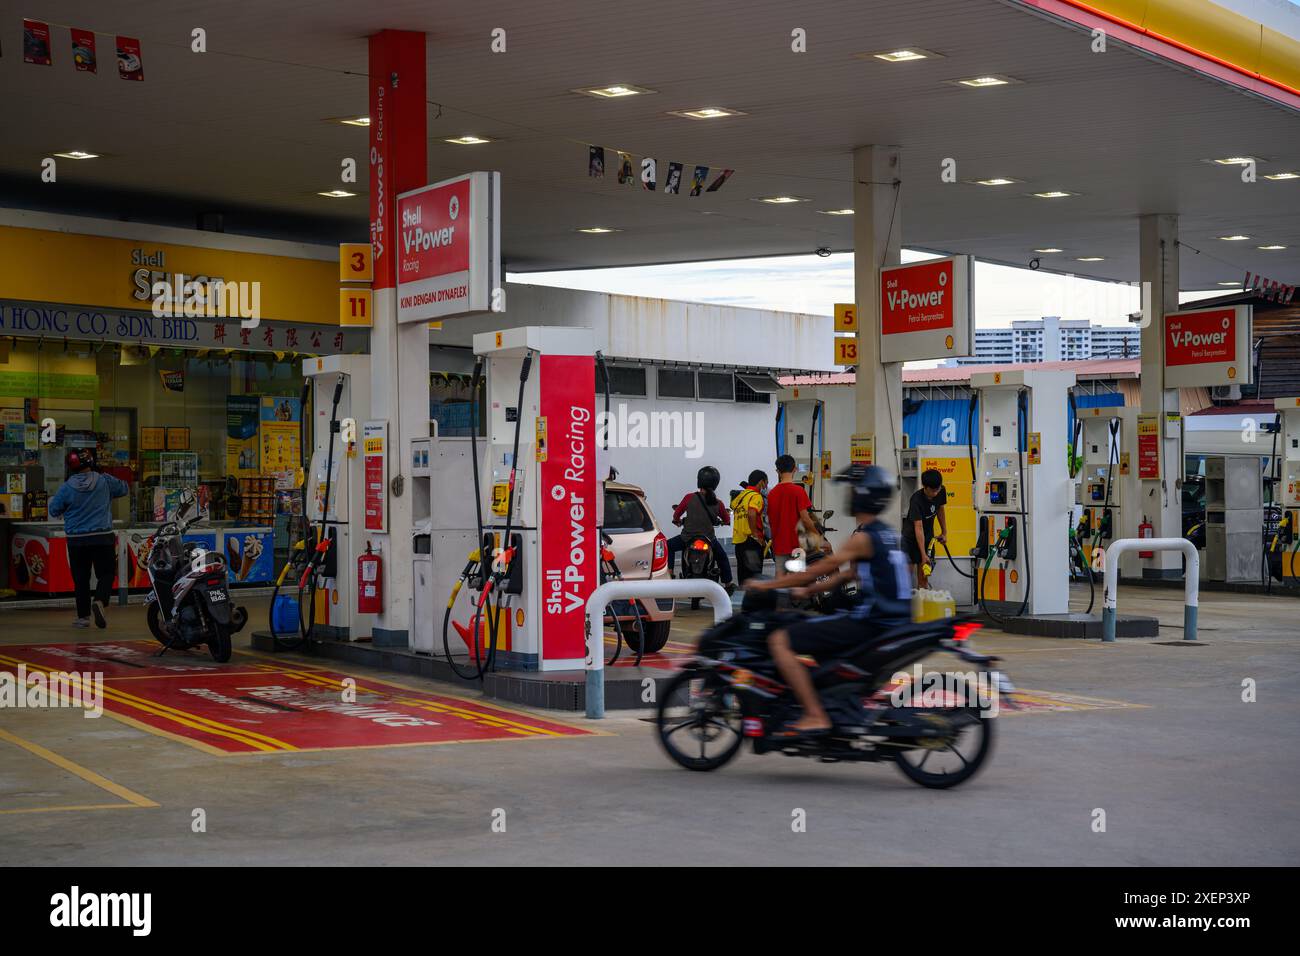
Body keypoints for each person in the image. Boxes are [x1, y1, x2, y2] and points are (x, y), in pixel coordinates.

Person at [748, 465, 911, 737]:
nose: (848, 495)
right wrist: (810, 591)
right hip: (894, 621)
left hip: (870, 622)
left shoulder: (863, 537)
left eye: (852, 490)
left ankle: (814, 714)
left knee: (780, 640)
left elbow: (821, 567)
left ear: (862, 495)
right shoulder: (888, 534)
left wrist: (771, 583)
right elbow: (852, 572)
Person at [48, 449, 129, 628]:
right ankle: (100, 600)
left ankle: (83, 618)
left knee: (81, 578)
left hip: (76, 539)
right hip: (102, 536)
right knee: (106, 573)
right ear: (91, 462)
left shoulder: (67, 487)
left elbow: (53, 510)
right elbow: (124, 488)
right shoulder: (105, 480)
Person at [668, 465, 733, 587]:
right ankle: (728, 583)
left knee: (668, 546)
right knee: (722, 558)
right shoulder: (718, 503)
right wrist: (723, 522)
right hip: (709, 539)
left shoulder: (689, 497)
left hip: (687, 538)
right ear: (715, 483)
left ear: (699, 481)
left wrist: (677, 521)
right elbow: (727, 519)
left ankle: (670, 574)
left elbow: (677, 514)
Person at [767, 455, 822, 576]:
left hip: (779, 545)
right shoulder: (798, 491)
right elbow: (806, 519)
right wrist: (817, 534)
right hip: (796, 545)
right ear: (795, 469)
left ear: (777, 471)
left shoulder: (771, 494)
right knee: (797, 581)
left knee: (780, 580)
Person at [904, 468, 948, 588]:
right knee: (906, 575)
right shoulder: (916, 500)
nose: (936, 493)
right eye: (933, 491)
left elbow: (940, 509)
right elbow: (918, 527)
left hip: (928, 538)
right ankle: (904, 604)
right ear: (924, 487)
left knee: (924, 576)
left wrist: (944, 532)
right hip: (911, 539)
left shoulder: (941, 490)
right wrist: (923, 554)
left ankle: (922, 604)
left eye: (938, 489)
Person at [730, 470, 769, 583]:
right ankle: (754, 600)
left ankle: (743, 599)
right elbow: (752, 513)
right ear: (761, 482)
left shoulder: (741, 496)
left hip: (739, 542)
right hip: (751, 542)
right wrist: (756, 534)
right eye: (766, 483)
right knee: (754, 578)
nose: (765, 486)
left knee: (743, 578)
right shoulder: (756, 496)